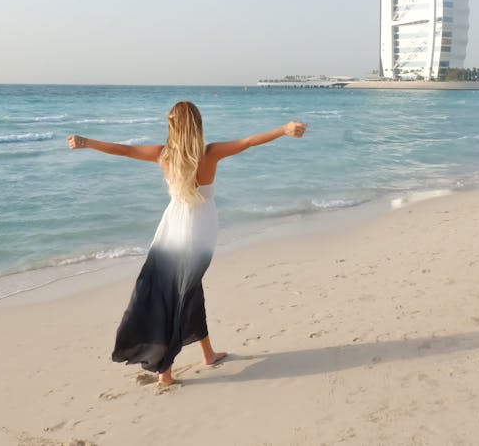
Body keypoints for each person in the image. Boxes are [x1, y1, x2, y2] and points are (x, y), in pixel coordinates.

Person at [67, 101, 307, 387]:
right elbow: (248, 142)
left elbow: (125, 150)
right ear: (197, 125)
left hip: (172, 230)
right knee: (184, 293)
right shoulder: (211, 153)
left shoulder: (163, 154)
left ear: (173, 126)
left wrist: (87, 142)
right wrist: (283, 129)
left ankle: (198, 356)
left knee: (179, 292)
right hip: (200, 233)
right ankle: (170, 369)